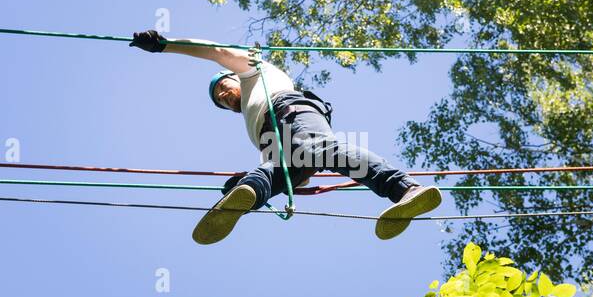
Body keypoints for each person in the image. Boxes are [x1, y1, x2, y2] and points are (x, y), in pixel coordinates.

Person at [130, 29, 441, 244]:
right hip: (276, 136)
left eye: (224, 87)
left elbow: (217, 51)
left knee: (320, 148)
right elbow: (299, 180)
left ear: (235, 76)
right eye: (219, 100)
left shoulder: (254, 70)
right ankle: (247, 192)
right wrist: (250, 181)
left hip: (289, 110)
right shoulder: (251, 120)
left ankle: (404, 189)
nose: (224, 96)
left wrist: (164, 45)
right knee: (278, 172)